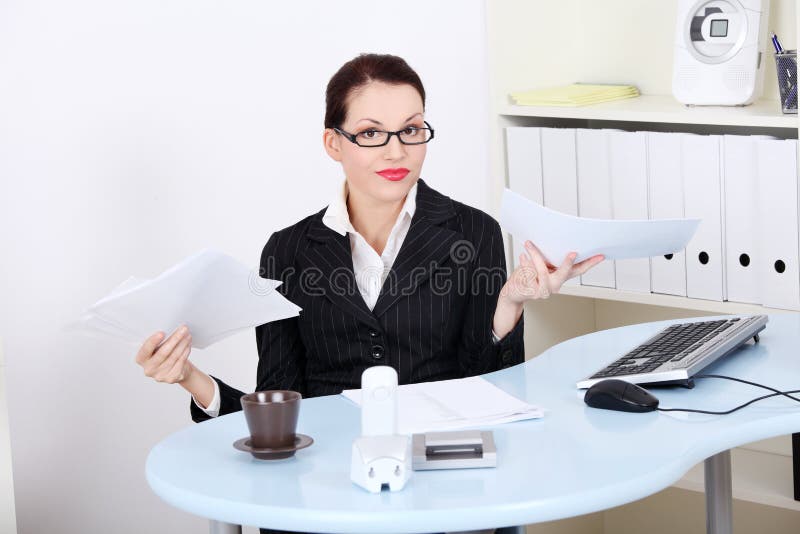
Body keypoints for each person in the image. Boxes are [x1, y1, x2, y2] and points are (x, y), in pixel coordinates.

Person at [135, 52, 603, 424]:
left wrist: (510, 303)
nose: (397, 151)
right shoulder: (287, 251)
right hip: (327, 476)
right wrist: (191, 378)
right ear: (333, 143)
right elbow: (279, 407)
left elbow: (493, 392)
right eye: (371, 133)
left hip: (443, 467)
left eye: (411, 129)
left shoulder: (472, 231)